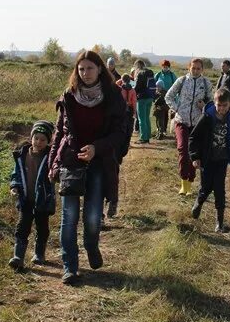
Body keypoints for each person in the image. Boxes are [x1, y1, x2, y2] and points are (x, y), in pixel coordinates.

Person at [48, 50, 128, 285]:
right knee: (69, 216)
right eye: (81, 69)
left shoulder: (113, 95)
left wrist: (97, 148)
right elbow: (60, 132)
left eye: (90, 68)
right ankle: (69, 266)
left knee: (93, 217)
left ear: (100, 69)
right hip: (72, 162)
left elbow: (120, 132)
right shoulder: (69, 96)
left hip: (99, 163)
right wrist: (54, 162)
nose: (85, 73)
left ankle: (91, 245)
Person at [189, 88, 230, 233]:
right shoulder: (207, 117)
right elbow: (194, 138)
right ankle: (199, 202)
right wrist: (195, 156)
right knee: (206, 187)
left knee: (219, 189)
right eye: (219, 105)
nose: (221, 108)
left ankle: (219, 222)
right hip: (207, 159)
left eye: (225, 105)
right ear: (215, 103)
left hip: (222, 160)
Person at [8, 121, 56, 269]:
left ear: (49, 141)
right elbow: (16, 174)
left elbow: (55, 172)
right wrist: (15, 186)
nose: (39, 142)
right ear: (31, 138)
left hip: (43, 199)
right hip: (25, 199)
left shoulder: (50, 157)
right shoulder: (22, 156)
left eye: (43, 140)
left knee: (42, 228)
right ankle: (18, 257)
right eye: (36, 138)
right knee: (22, 227)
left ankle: (39, 254)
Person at [165, 58, 212, 195]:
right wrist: (177, 108)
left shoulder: (206, 83)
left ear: (202, 69)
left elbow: (212, 102)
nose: (196, 70)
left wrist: (205, 107)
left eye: (198, 68)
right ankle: (183, 182)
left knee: (193, 154)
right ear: (189, 68)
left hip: (198, 123)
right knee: (182, 149)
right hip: (182, 121)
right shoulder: (181, 81)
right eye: (193, 68)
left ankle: (190, 184)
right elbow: (169, 96)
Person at [108, 73, 137, 218]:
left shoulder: (119, 93)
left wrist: (123, 148)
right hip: (102, 147)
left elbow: (126, 133)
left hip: (114, 146)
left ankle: (112, 202)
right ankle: (106, 206)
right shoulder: (122, 91)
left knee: (112, 173)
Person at [132, 60, 157, 143]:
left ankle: (143, 138)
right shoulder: (150, 72)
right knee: (146, 118)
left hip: (142, 98)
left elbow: (138, 87)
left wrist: (133, 91)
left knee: (141, 119)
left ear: (138, 66)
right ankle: (148, 136)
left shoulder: (140, 73)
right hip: (150, 97)